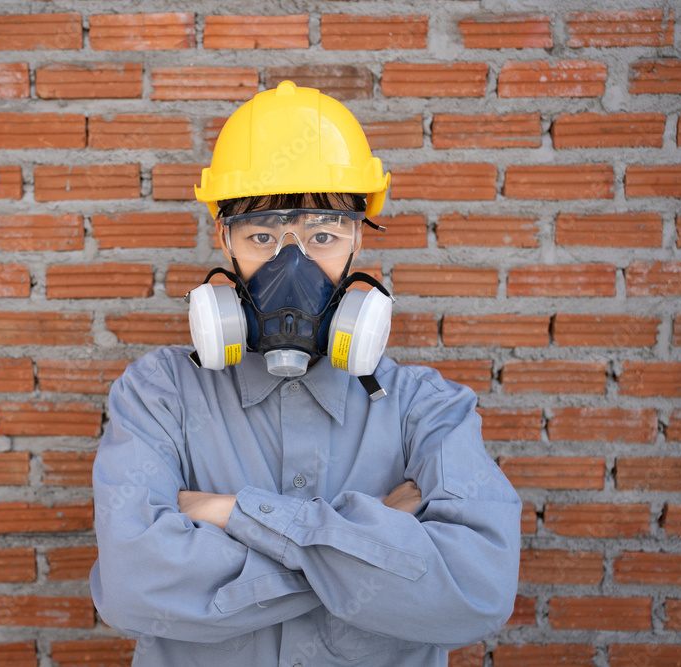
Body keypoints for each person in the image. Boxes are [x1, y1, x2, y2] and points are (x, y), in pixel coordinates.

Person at [89, 81, 521, 666]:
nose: (290, 265)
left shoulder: (426, 408)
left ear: (356, 245)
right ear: (224, 240)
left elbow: (477, 592)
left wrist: (232, 515)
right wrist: (369, 547)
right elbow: (133, 586)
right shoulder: (159, 394)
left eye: (323, 235)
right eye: (261, 235)